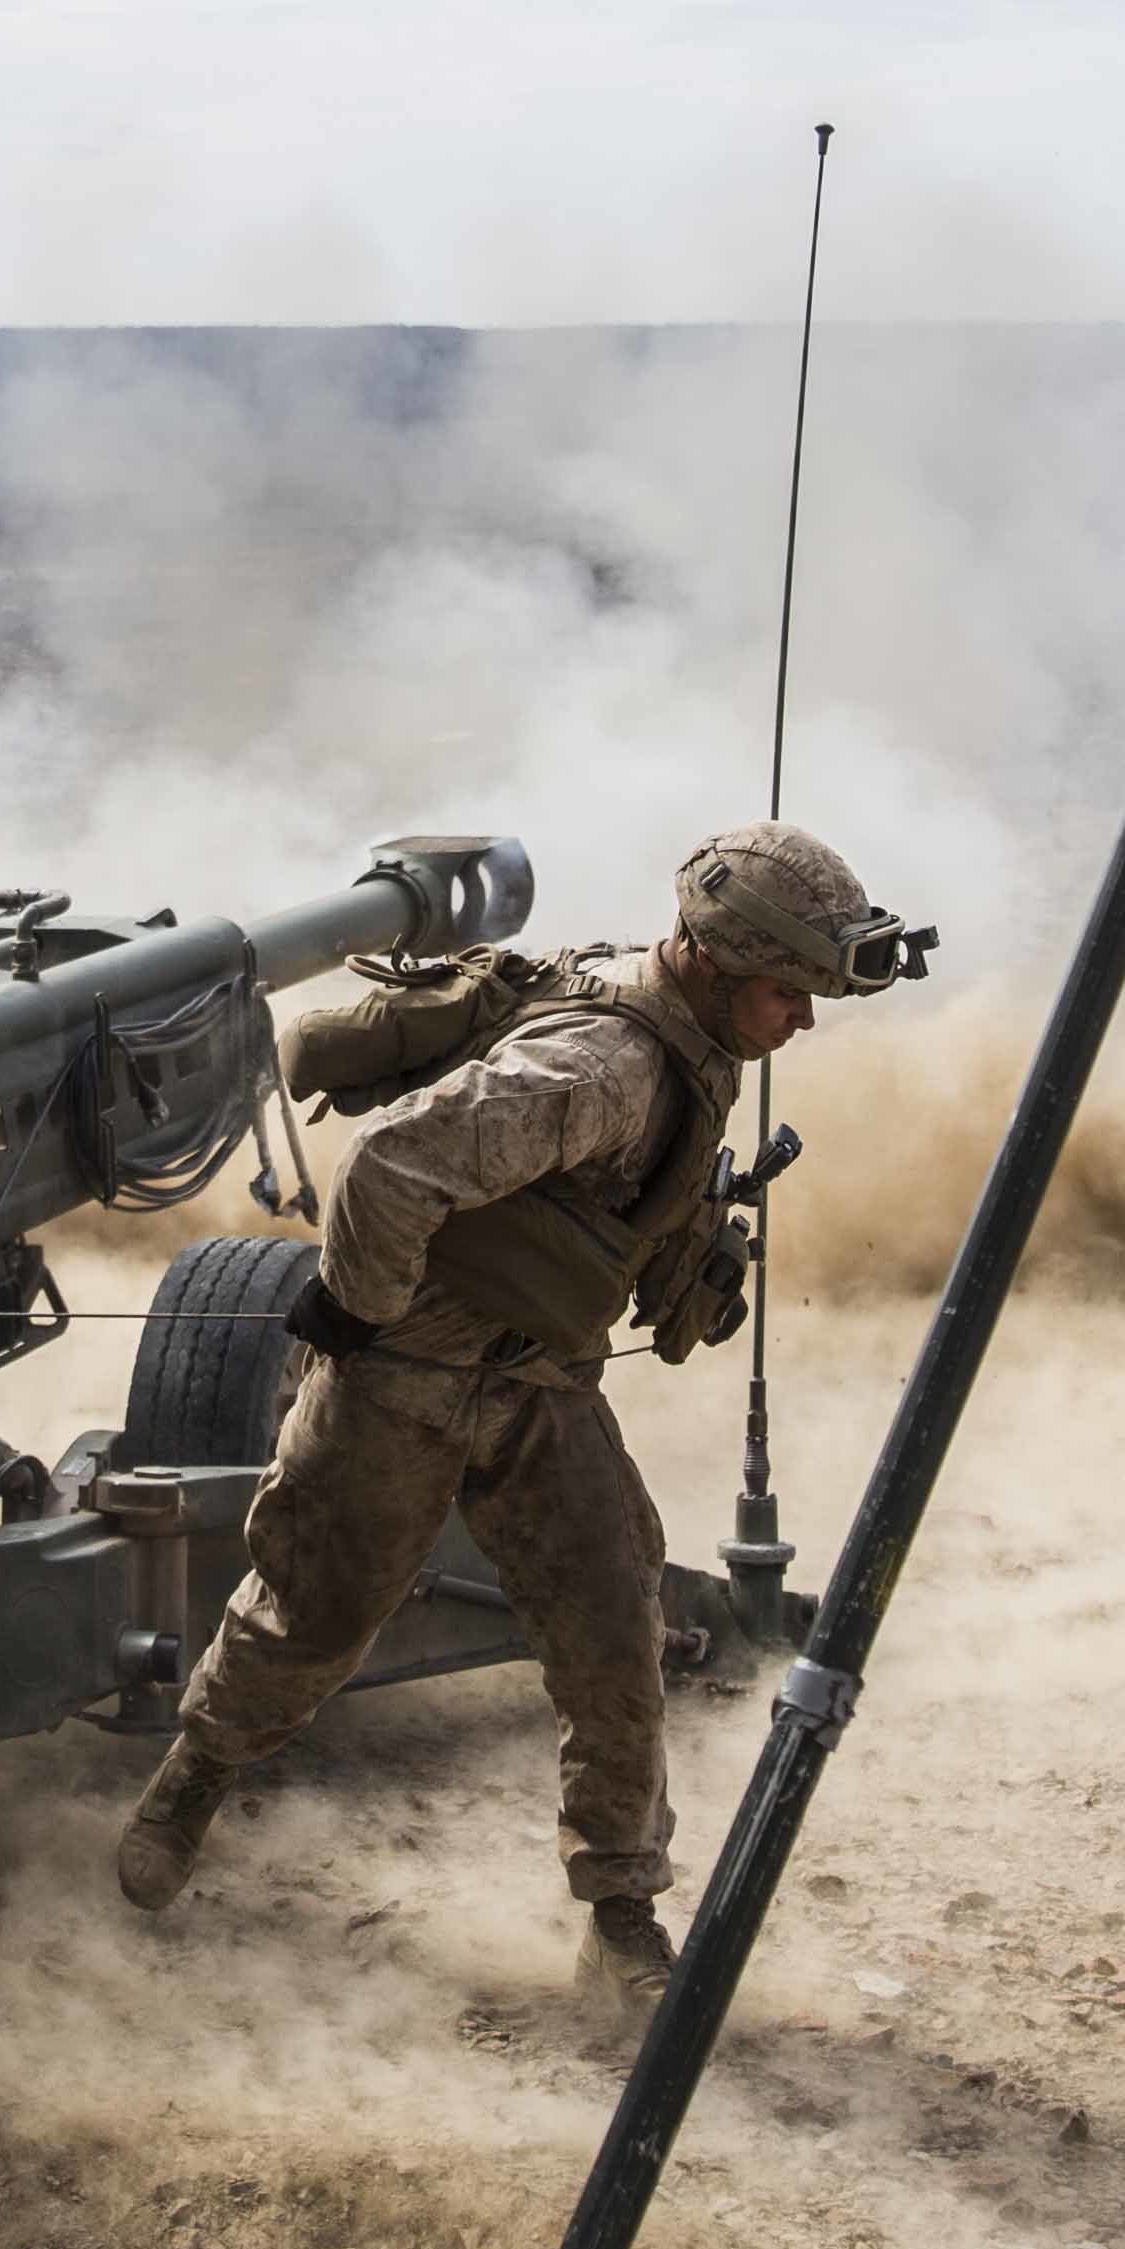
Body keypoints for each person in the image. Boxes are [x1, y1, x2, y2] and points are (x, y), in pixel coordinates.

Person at [117, 821, 930, 2004]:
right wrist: (358, 1314)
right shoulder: (603, 1067)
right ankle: (193, 1781)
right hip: (408, 1372)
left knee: (616, 1630)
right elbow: (395, 1164)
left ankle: (621, 1911)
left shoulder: (696, 1043)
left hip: (543, 1382)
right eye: (785, 994)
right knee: (315, 1617)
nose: (800, 1021)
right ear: (713, 964)